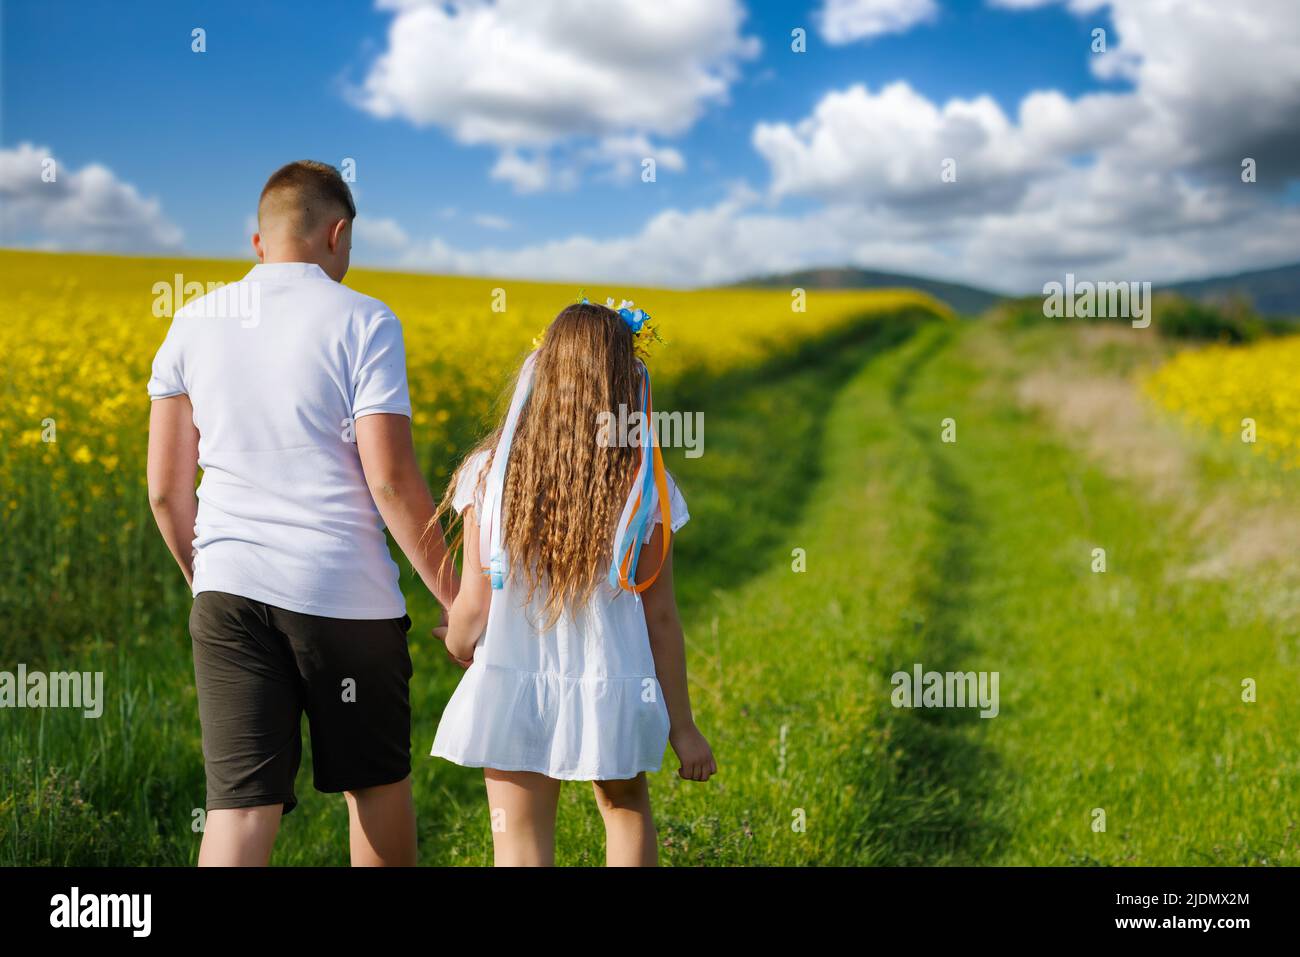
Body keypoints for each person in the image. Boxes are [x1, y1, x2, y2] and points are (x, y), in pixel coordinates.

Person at [146, 160, 457, 866]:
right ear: (337, 234)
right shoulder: (367, 319)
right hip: (343, 596)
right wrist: (460, 595)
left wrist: (209, 580)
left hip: (228, 592)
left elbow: (166, 490)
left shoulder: (191, 320)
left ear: (260, 241)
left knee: (239, 808)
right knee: (374, 789)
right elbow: (390, 476)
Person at [430, 299, 716, 867]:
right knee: (626, 811)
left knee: (517, 837)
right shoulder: (644, 483)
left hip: (513, 677)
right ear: (625, 381)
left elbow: (474, 600)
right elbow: (661, 616)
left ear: (542, 369)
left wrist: (458, 643)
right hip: (612, 679)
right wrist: (683, 728)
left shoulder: (489, 473)